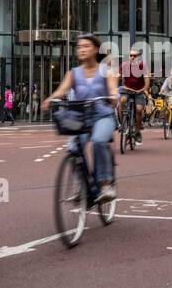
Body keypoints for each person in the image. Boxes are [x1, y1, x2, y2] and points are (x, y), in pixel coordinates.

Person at [48, 33, 119, 202]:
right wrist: (50, 99)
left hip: (103, 116)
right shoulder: (73, 73)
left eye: (86, 46)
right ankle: (82, 185)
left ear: (95, 49)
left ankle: (105, 184)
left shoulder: (106, 71)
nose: (82, 50)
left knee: (99, 141)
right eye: (79, 47)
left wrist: (113, 96)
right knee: (74, 146)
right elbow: (61, 90)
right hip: (81, 118)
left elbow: (113, 90)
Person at [119, 46, 148, 142]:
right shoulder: (124, 65)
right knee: (122, 101)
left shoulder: (142, 66)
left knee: (139, 109)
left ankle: (138, 131)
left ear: (138, 57)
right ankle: (123, 123)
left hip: (139, 91)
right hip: (127, 89)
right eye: (131, 55)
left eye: (134, 56)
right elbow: (118, 76)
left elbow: (147, 79)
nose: (132, 57)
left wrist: (145, 89)